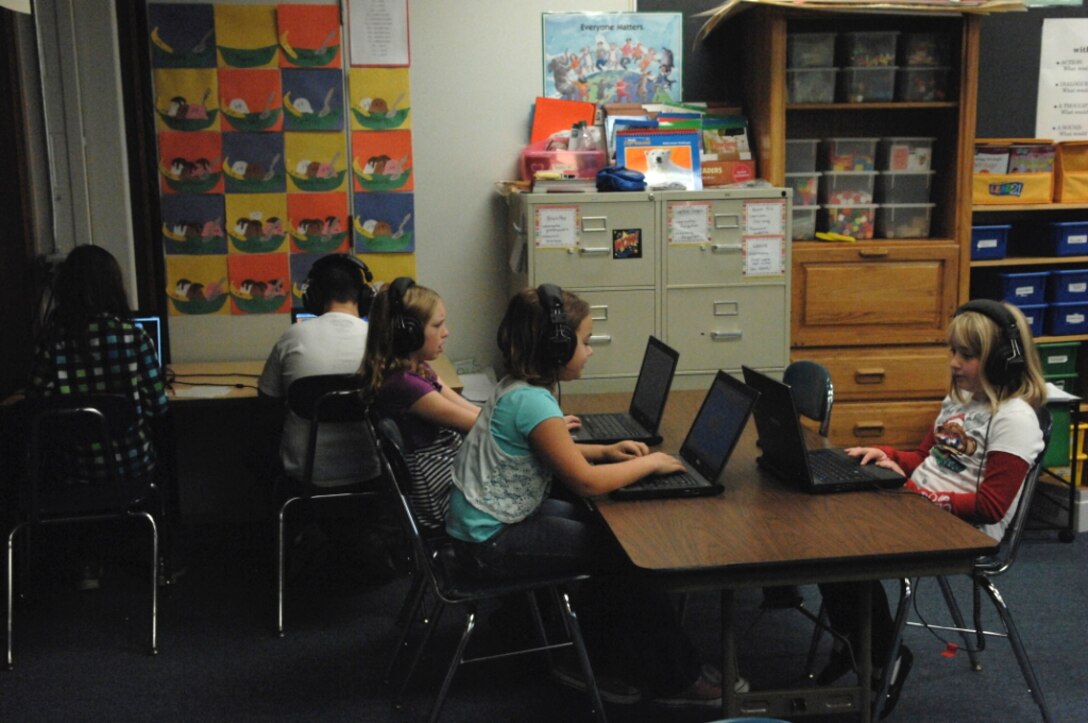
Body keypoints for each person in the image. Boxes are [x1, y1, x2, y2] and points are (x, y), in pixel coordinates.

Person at [445, 284, 736, 708]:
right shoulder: (535, 404)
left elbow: (551, 449)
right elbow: (586, 483)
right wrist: (651, 463)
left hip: (482, 530)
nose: (590, 351)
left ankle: (591, 652)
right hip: (490, 543)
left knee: (602, 534)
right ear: (557, 346)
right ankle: (672, 678)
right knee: (628, 556)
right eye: (585, 341)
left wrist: (604, 450)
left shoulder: (516, 388)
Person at [818, 299, 1047, 719]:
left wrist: (916, 496)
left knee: (844, 549)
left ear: (1002, 361)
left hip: (966, 531)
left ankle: (884, 657)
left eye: (968, 355)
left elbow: (991, 507)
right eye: (953, 351)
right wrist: (886, 454)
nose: (955, 363)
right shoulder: (962, 401)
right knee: (825, 529)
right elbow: (926, 457)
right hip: (920, 507)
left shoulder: (1014, 419)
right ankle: (854, 641)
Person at [27, 244, 172, 589]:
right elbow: (158, 408)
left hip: (74, 467)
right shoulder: (133, 337)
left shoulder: (51, 341)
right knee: (163, 458)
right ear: (113, 286)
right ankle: (161, 560)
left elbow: (36, 404)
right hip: (130, 468)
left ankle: (88, 563)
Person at [360, 277, 480, 532]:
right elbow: (479, 426)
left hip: (448, 477)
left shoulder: (418, 370)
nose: (446, 332)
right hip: (438, 498)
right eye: (438, 325)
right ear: (408, 333)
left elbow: (471, 409)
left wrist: (539, 422)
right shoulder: (404, 386)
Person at [258, 253, 380, 488]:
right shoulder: (378, 341)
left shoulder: (292, 337)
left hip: (305, 474)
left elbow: (267, 399)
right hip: (369, 470)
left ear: (313, 298)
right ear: (365, 297)